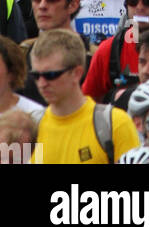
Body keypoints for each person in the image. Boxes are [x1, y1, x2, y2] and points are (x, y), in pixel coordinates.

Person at [32, 28, 140, 165]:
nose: (42, 83)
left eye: (51, 75)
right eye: (36, 75)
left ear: (77, 73)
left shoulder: (116, 124)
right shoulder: (31, 126)